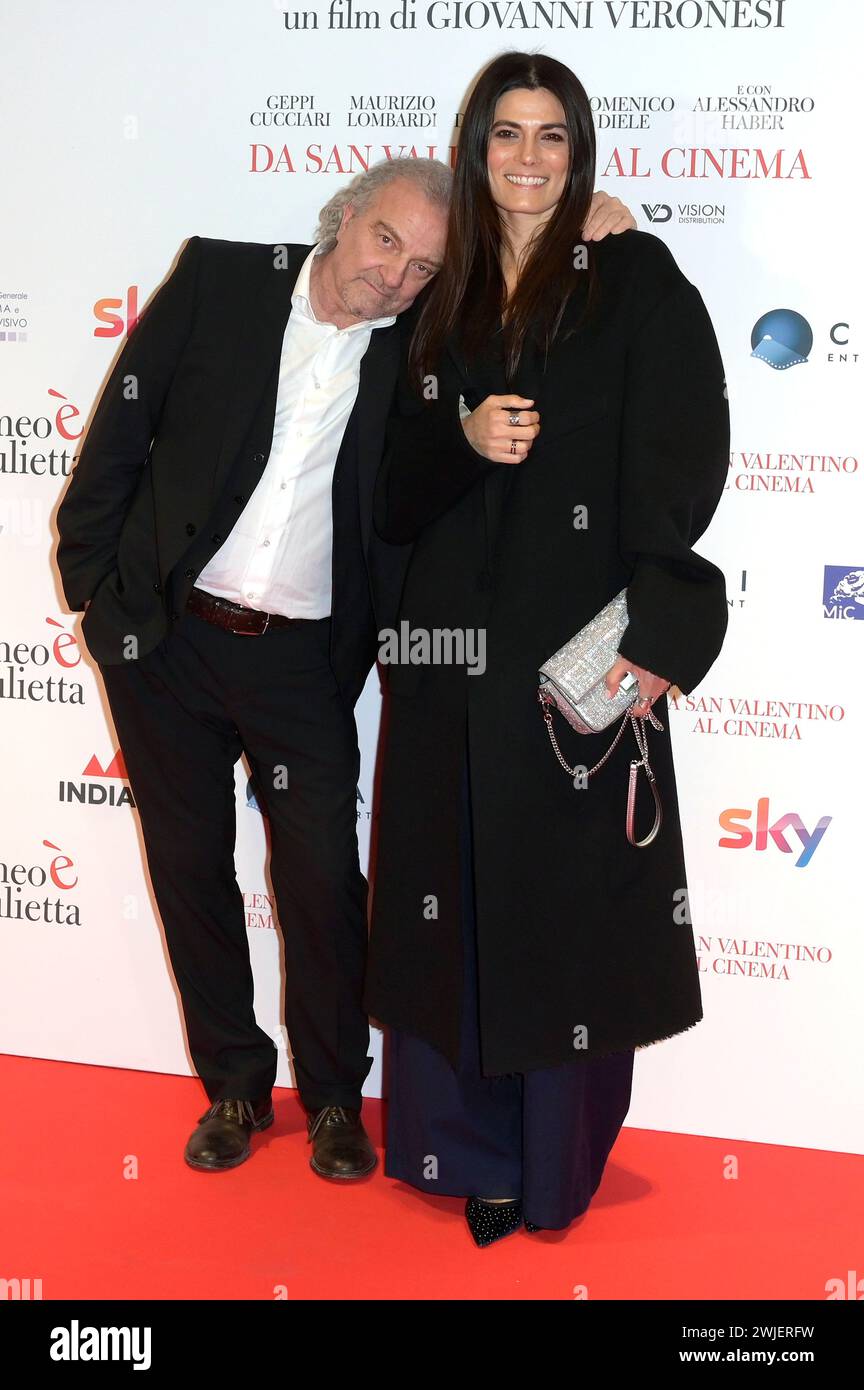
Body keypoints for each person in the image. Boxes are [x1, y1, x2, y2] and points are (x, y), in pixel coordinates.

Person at [55, 156, 634, 1178]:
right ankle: (234, 1082)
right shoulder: (223, 279)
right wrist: (94, 592)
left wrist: (577, 226)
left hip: (300, 664)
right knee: (190, 871)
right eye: (386, 244)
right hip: (167, 644)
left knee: (322, 880)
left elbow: (523, 326)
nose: (395, 280)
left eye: (423, 270)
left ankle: (331, 1096)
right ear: (344, 217)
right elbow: (119, 440)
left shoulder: (424, 349)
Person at [364, 52, 730, 1244]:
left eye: (553, 137)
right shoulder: (440, 294)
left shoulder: (631, 277)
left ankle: (550, 1161)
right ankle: (465, 1150)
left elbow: (684, 458)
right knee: (445, 908)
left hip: (573, 664)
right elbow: (387, 493)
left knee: (563, 917)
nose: (528, 160)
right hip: (442, 663)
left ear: (581, 154)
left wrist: (670, 622)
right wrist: (461, 432)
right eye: (507, 135)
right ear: (477, 149)